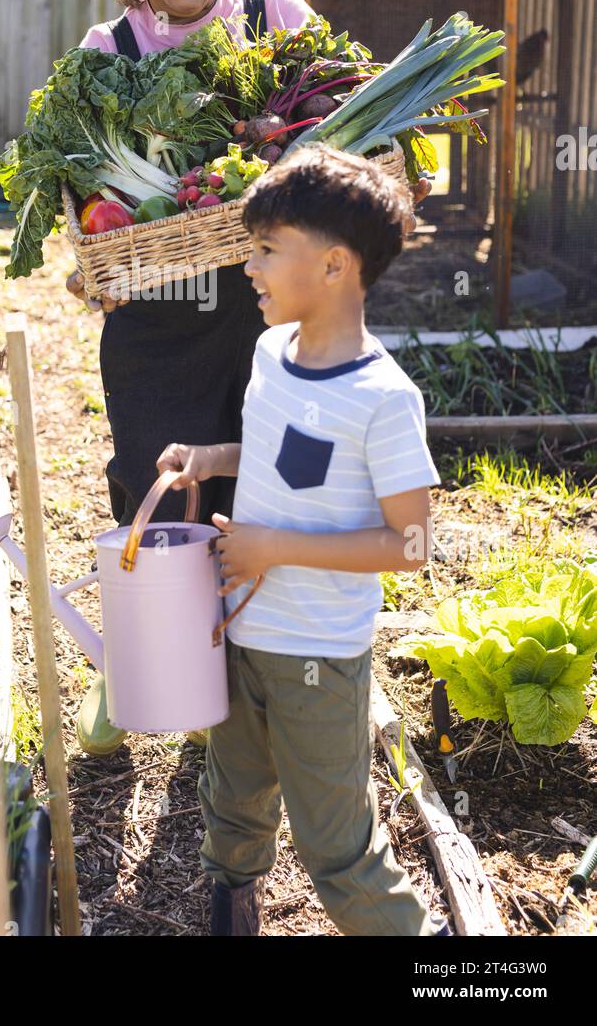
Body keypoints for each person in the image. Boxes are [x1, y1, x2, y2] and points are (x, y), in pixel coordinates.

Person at [67, 0, 430, 756]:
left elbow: (348, 135)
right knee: (156, 475)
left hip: (280, 297)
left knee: (275, 475)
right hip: (158, 306)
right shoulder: (104, 52)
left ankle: (255, 666)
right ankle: (139, 660)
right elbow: (86, 200)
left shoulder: (277, 15)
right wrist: (92, 263)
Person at [156, 145, 451, 937]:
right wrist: (207, 461)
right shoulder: (268, 353)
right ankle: (233, 902)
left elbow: (410, 543)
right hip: (241, 626)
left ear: (332, 267)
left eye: (263, 250)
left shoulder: (382, 398)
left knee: (336, 846)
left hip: (317, 655)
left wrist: (273, 548)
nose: (247, 268)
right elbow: (279, 458)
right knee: (233, 792)